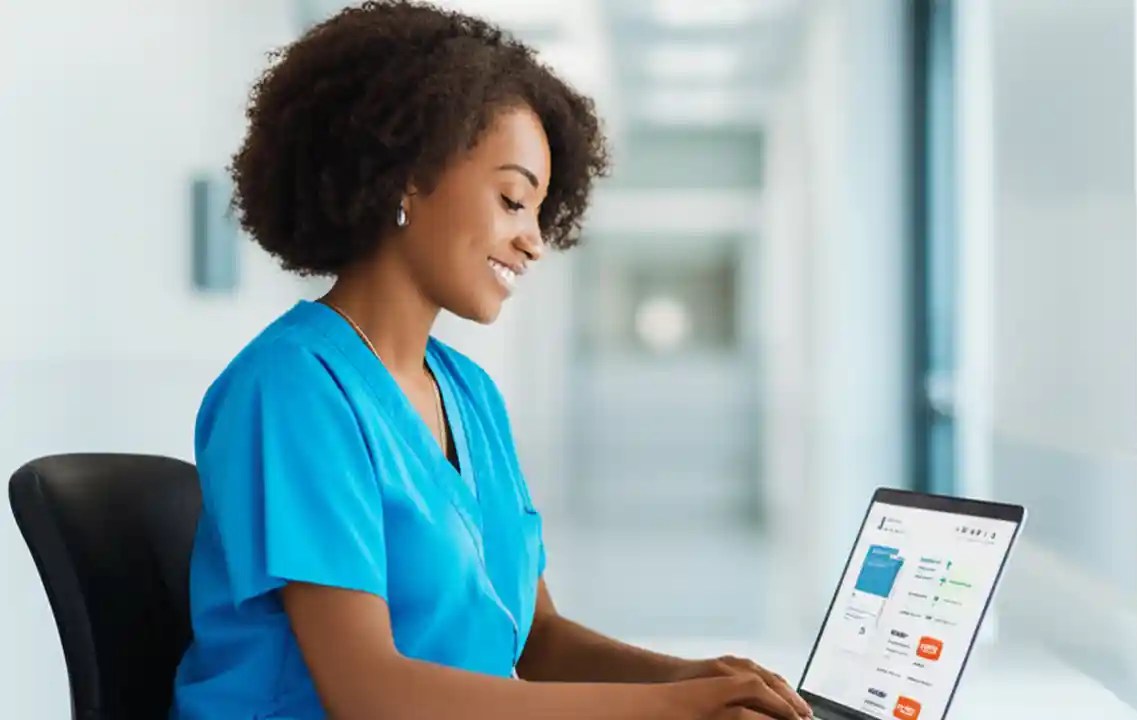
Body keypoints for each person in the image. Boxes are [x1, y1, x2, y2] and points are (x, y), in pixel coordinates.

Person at [169, 3, 812, 719]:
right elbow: (368, 692)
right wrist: (670, 712)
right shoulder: (291, 390)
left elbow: (535, 639)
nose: (534, 241)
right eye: (512, 200)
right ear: (407, 179)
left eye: (540, 211)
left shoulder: (468, 393)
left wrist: (698, 681)